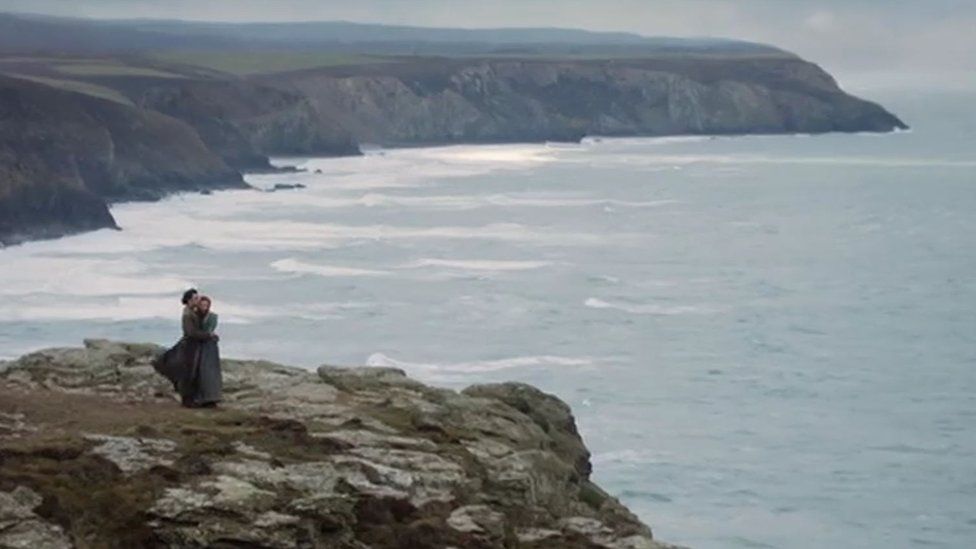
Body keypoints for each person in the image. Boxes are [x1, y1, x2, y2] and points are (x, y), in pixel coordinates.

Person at [152, 288, 221, 408]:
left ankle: (195, 399)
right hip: (189, 346)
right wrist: (208, 335)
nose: (198, 300)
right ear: (189, 300)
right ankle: (188, 400)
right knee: (188, 373)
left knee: (192, 373)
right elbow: (191, 332)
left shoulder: (192, 311)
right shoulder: (188, 314)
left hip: (192, 345)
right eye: (195, 298)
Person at [191, 296, 222, 408]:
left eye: (206, 305)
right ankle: (199, 398)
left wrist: (208, 335)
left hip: (208, 347)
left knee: (210, 373)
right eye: (202, 305)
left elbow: (209, 330)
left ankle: (211, 398)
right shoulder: (194, 316)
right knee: (198, 373)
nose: (204, 307)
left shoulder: (212, 317)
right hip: (198, 345)